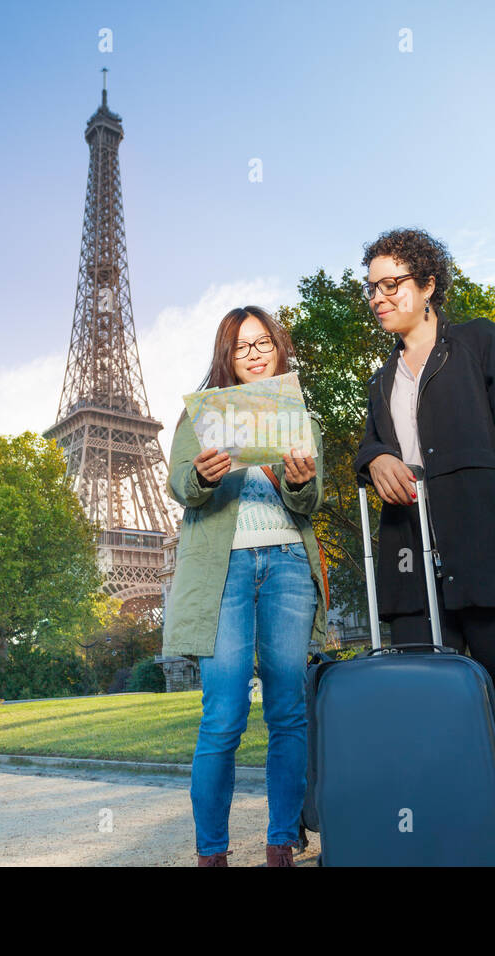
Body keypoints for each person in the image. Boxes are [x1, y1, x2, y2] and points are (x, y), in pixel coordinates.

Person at [353, 227, 495, 867]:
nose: (379, 298)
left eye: (392, 284)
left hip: (493, 551)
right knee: (427, 717)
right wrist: (376, 459)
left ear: (427, 285)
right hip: (410, 569)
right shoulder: (379, 378)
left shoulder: (479, 343)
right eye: (372, 288)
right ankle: (449, 845)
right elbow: (368, 447)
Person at [162, 305, 327, 867]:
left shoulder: (300, 417)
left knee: (287, 710)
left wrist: (299, 481)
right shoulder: (198, 418)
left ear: (278, 348)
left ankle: (281, 840)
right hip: (224, 572)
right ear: (226, 356)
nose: (254, 353)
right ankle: (212, 851)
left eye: (263, 342)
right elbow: (182, 487)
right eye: (241, 346)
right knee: (224, 713)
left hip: (286, 565)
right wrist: (202, 477)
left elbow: (311, 501)